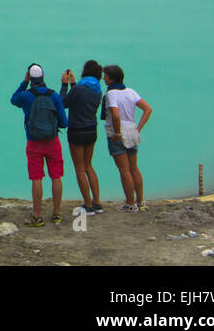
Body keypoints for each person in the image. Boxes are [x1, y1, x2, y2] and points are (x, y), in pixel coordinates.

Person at [11, 63, 69, 226]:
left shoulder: (26, 96)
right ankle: (56, 213)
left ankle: (37, 216)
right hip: (52, 141)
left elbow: (13, 98)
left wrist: (24, 82)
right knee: (56, 176)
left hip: (33, 141)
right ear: (43, 77)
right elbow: (64, 123)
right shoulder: (54, 96)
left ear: (30, 78)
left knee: (37, 178)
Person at [101, 64, 152, 211]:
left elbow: (115, 115)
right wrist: (139, 127)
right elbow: (148, 109)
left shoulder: (111, 94)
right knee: (134, 168)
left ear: (111, 79)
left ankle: (130, 203)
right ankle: (140, 201)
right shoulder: (130, 92)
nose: (104, 78)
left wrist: (117, 133)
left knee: (124, 170)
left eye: (106, 76)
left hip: (118, 132)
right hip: (132, 130)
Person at [61, 60, 104, 215]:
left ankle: (87, 205)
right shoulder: (97, 90)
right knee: (88, 166)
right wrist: (74, 84)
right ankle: (97, 202)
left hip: (77, 131)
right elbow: (80, 100)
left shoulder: (78, 89)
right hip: (92, 130)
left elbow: (63, 103)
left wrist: (65, 85)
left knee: (79, 168)